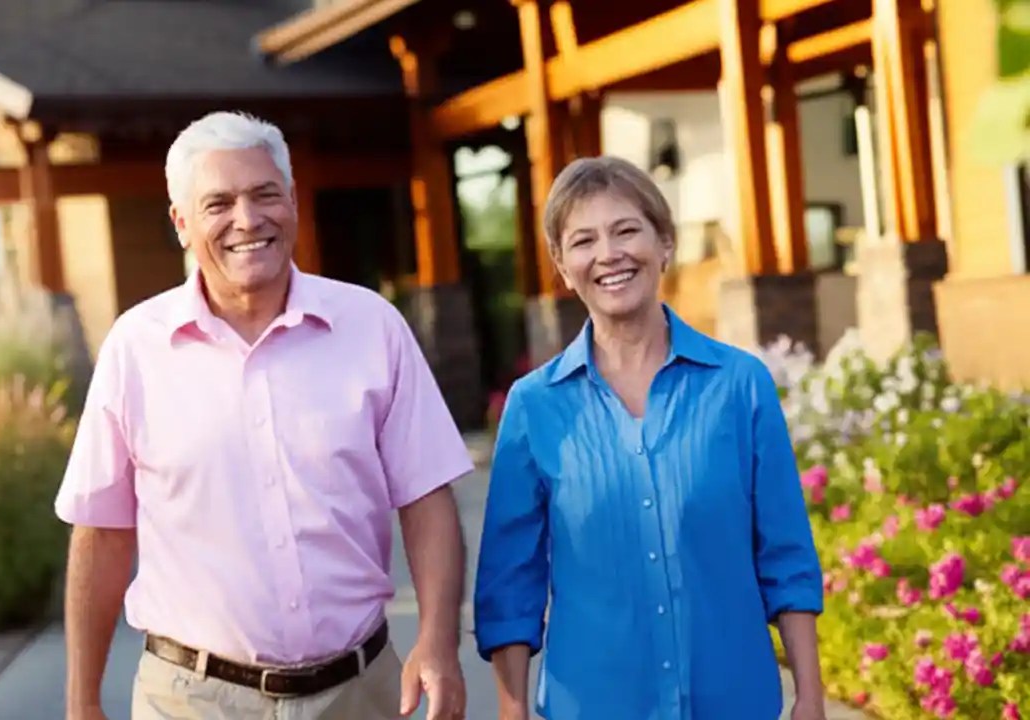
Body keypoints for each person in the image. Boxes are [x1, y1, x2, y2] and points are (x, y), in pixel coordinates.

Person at [54, 110, 473, 720]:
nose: (246, 220)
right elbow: (101, 533)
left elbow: (427, 497)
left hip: (360, 696)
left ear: (294, 202)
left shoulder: (373, 327)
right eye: (218, 203)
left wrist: (437, 642)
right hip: (191, 700)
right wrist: (80, 700)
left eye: (264, 194)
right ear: (181, 224)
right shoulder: (134, 348)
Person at [472, 156, 826, 720]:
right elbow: (509, 585)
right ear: (562, 267)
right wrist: (511, 712)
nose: (609, 254)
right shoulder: (533, 407)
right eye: (583, 240)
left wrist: (810, 696)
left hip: (733, 702)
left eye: (627, 230)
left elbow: (785, 553)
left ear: (665, 243)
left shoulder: (740, 386)